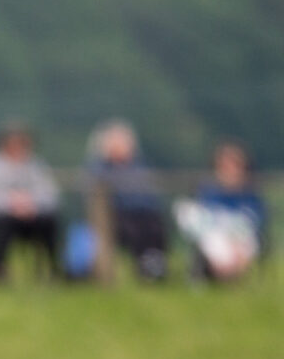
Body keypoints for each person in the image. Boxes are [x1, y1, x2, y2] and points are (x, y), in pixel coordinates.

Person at [0, 122, 61, 281]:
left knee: (50, 222)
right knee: (0, 225)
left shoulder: (36, 165)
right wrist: (9, 202)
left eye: (21, 143)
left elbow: (51, 195)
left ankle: (53, 270)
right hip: (3, 216)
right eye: (12, 143)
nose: (17, 147)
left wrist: (31, 204)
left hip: (33, 216)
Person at [85, 119, 169, 281]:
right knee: (134, 231)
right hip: (118, 214)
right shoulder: (100, 167)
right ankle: (143, 270)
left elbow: (149, 192)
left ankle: (156, 269)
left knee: (156, 229)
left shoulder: (139, 166)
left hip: (144, 212)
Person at [175, 140, 269, 282]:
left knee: (246, 244)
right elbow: (202, 220)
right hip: (215, 236)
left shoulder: (250, 195)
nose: (230, 171)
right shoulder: (208, 191)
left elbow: (255, 222)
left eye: (235, 166)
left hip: (243, 239)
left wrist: (238, 240)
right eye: (225, 166)